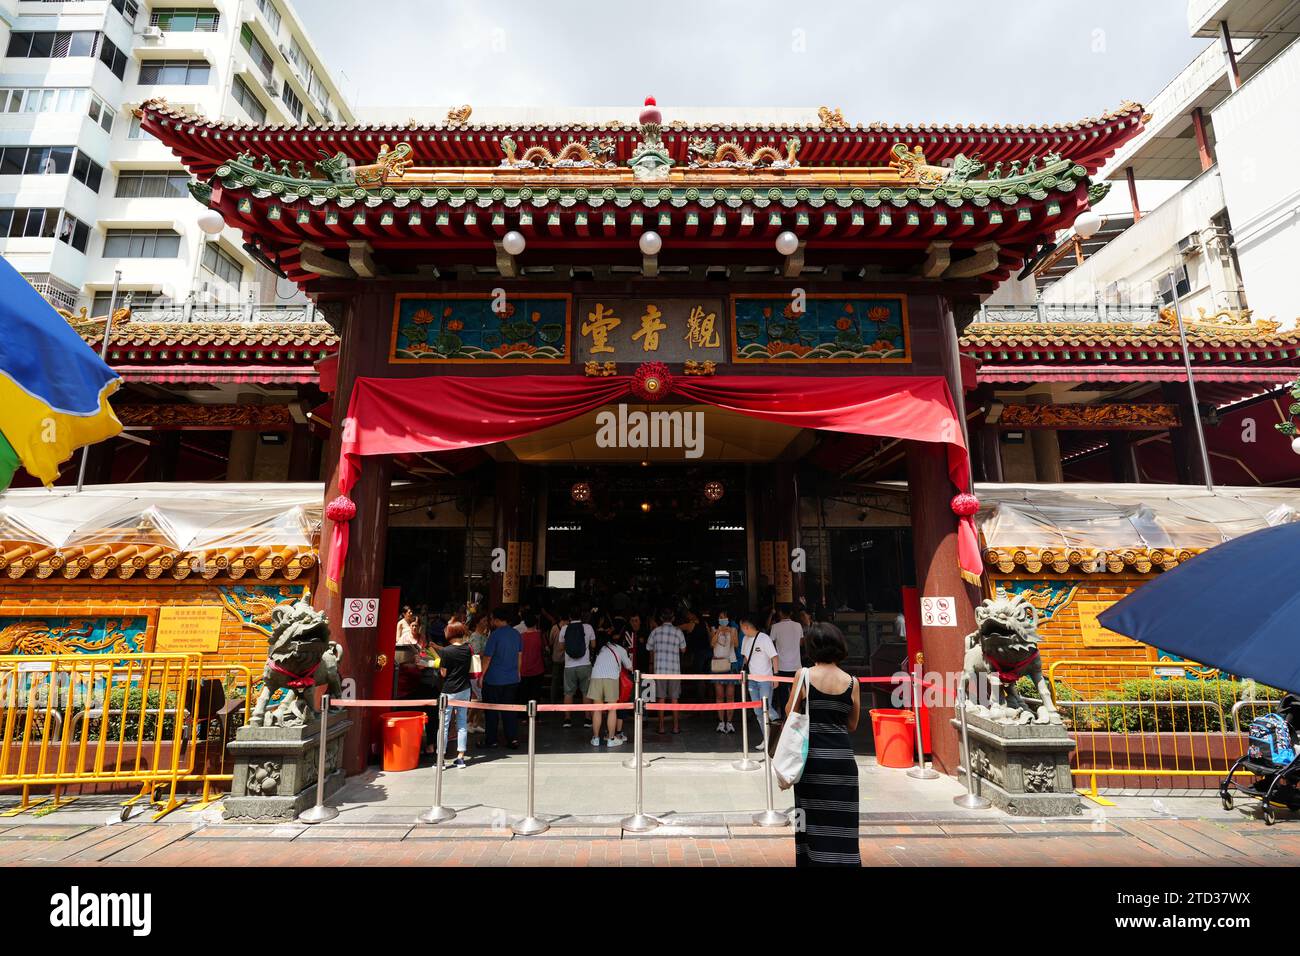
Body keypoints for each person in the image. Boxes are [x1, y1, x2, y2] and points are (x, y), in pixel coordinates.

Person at [787, 622, 861, 867]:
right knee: (843, 823)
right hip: (842, 762)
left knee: (807, 818)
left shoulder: (804, 675)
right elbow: (852, 724)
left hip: (811, 761)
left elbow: (790, 712)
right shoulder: (852, 682)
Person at [480, 608, 522, 749]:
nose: (491, 621)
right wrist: (518, 673)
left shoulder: (495, 635)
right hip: (511, 678)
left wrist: (481, 676)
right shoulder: (516, 634)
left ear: (497, 619)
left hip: (493, 679)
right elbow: (519, 656)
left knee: (491, 710)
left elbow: (487, 658)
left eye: (492, 619)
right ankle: (512, 739)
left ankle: (492, 739)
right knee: (509, 710)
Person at [587, 621, 631, 747]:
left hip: (596, 677)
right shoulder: (619, 649)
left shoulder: (600, 649)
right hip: (611, 678)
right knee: (612, 710)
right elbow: (629, 666)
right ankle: (611, 739)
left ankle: (595, 738)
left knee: (597, 710)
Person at [437, 622, 473, 768]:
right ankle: (461, 757)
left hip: (449, 691)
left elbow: (443, 673)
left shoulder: (446, 651)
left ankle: (441, 758)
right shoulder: (468, 649)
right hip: (465, 689)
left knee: (444, 725)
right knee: (462, 723)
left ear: (450, 633)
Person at [647, 607, 686, 734]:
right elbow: (683, 649)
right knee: (674, 699)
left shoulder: (655, 632)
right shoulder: (678, 632)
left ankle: (661, 727)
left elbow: (649, 648)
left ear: (661, 618)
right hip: (674, 670)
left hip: (660, 670)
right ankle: (675, 727)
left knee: (661, 698)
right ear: (673, 618)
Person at [560, 605, 594, 729]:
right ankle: (587, 719)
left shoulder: (564, 628)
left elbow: (561, 647)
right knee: (586, 692)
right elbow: (594, 645)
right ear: (581, 615)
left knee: (568, 693)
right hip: (585, 665)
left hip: (569, 666)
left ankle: (567, 719)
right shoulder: (588, 627)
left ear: (569, 616)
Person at [770, 604, 804, 719]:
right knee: (797, 692)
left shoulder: (775, 627)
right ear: (791, 613)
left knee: (783, 694)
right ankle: (797, 714)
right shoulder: (798, 626)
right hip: (796, 665)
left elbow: (771, 643)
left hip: (782, 666)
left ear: (780, 613)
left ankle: (785, 716)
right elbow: (801, 643)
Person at [711, 611, 739, 733]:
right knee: (719, 696)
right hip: (718, 665)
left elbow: (736, 645)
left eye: (725, 617)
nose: (723, 619)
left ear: (728, 618)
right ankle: (721, 722)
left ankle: (730, 722)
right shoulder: (714, 629)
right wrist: (718, 632)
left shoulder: (733, 629)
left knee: (730, 696)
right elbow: (712, 644)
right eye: (720, 617)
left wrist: (730, 632)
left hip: (730, 664)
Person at [517, 610, 546, 705]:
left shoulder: (521, 637)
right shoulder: (539, 635)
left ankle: (523, 717)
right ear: (535, 623)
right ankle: (535, 717)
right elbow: (544, 649)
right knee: (535, 694)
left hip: (523, 669)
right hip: (537, 669)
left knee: (524, 694)